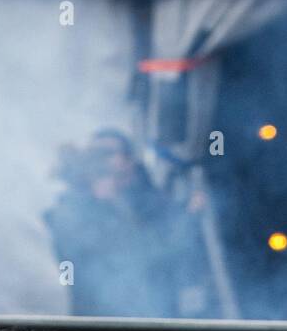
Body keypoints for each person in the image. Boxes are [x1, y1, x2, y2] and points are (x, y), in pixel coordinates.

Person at [44, 129, 208, 317]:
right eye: (95, 155)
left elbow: (167, 251)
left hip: (154, 318)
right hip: (96, 322)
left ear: (129, 160)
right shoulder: (73, 207)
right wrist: (101, 202)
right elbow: (78, 257)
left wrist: (189, 216)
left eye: (107, 154)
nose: (101, 161)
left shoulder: (152, 201)